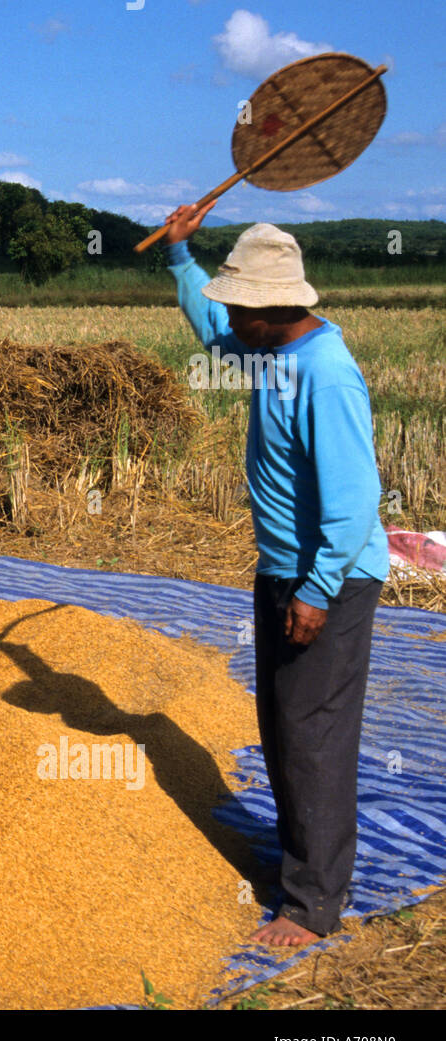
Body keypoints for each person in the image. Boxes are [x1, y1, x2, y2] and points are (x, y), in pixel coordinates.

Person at [162, 201, 388, 946]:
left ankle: (312, 903)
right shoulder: (272, 348)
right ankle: (298, 864)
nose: (229, 325)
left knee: (313, 732)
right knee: (284, 724)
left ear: (273, 308)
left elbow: (356, 501)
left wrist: (318, 591)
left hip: (331, 579)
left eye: (239, 309)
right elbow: (212, 333)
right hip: (285, 571)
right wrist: (181, 259)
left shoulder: (326, 374)